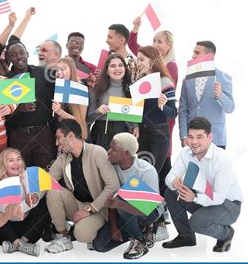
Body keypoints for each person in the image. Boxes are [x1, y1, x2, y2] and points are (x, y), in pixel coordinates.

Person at [163, 117, 243, 252]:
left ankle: (226, 234)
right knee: (170, 192)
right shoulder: (185, 153)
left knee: (197, 222)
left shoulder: (222, 158)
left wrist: (194, 198)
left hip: (228, 204)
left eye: (199, 137)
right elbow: (169, 177)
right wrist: (174, 182)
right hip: (202, 197)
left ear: (209, 137)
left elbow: (219, 197)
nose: (194, 142)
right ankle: (186, 236)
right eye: (190, 137)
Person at [129, 17, 180, 224]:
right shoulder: (139, 82)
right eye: (138, 59)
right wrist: (134, 126)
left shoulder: (164, 81)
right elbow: (135, 110)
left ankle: (154, 223)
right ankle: (145, 221)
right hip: (143, 135)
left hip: (159, 135)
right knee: (140, 177)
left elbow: (173, 113)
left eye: (142, 59)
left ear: (152, 61)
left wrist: (163, 105)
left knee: (151, 177)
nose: (138, 62)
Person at [45, 119, 120, 253]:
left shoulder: (97, 152)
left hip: (99, 209)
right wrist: (34, 196)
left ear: (71, 136)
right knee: (53, 192)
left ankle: (95, 228)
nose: (56, 143)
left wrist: (90, 209)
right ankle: (64, 237)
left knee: (81, 234)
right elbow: (48, 180)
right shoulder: (63, 157)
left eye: (58, 138)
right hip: (77, 204)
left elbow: (113, 185)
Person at [103, 133, 163, 259]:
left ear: (125, 153)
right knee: (100, 245)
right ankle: (139, 229)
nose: (108, 151)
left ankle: (139, 239)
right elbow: (111, 200)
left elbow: (147, 209)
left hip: (150, 211)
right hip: (125, 211)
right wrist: (113, 227)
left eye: (113, 149)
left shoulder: (147, 171)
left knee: (123, 196)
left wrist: (120, 204)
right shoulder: (113, 168)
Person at [0, 148, 49, 257]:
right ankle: (18, 244)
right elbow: (7, 209)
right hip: (4, 230)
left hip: (26, 230)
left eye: (18, 159)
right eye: (11, 160)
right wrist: (9, 212)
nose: (16, 163)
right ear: (3, 164)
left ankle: (20, 243)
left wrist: (35, 197)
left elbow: (45, 186)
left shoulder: (28, 175)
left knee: (43, 204)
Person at [5, 42, 56, 170]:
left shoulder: (42, 73)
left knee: (46, 173)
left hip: (43, 133)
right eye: (14, 54)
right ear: (9, 58)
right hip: (19, 136)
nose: (18, 57)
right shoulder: (5, 80)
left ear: (27, 54)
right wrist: (19, 109)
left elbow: (62, 86)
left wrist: (84, 82)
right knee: (21, 174)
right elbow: (4, 116)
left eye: (21, 53)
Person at [179, 41, 235, 149]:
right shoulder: (187, 80)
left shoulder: (224, 78)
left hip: (215, 139)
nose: (193, 56)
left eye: (197, 52)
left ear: (210, 56)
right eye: (193, 52)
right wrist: (184, 135)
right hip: (193, 140)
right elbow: (183, 109)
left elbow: (230, 108)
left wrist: (220, 95)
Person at [86, 54, 137, 149]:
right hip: (101, 133)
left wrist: (135, 126)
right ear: (106, 69)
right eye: (113, 66)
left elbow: (132, 117)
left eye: (120, 65)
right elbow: (88, 119)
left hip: (123, 134)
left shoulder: (131, 89)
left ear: (125, 69)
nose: (117, 69)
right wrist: (98, 111)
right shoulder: (97, 89)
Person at [51, 57, 88, 140]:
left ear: (72, 70)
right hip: (60, 136)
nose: (59, 72)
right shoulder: (56, 88)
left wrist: (60, 112)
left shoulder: (81, 89)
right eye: (57, 70)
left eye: (63, 69)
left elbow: (80, 121)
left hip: (76, 136)